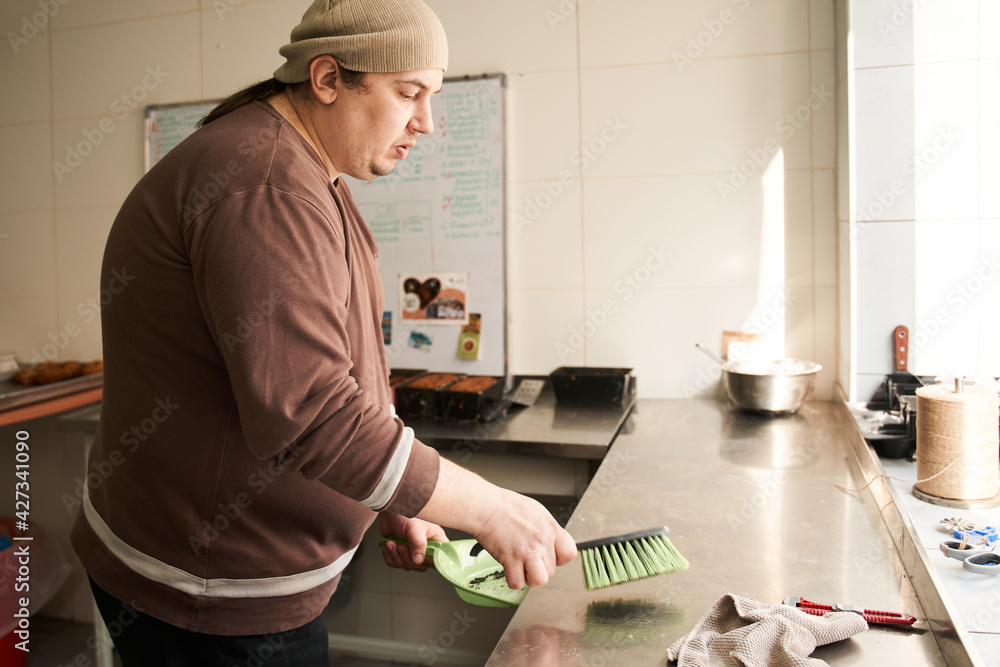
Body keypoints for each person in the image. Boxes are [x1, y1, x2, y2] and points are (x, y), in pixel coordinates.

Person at [70, 0, 577, 664]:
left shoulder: (308, 174)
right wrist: (488, 508)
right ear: (329, 79)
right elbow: (310, 411)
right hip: (207, 599)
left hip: (243, 583)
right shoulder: (266, 183)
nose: (426, 122)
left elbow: (340, 369)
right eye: (409, 93)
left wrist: (390, 492)